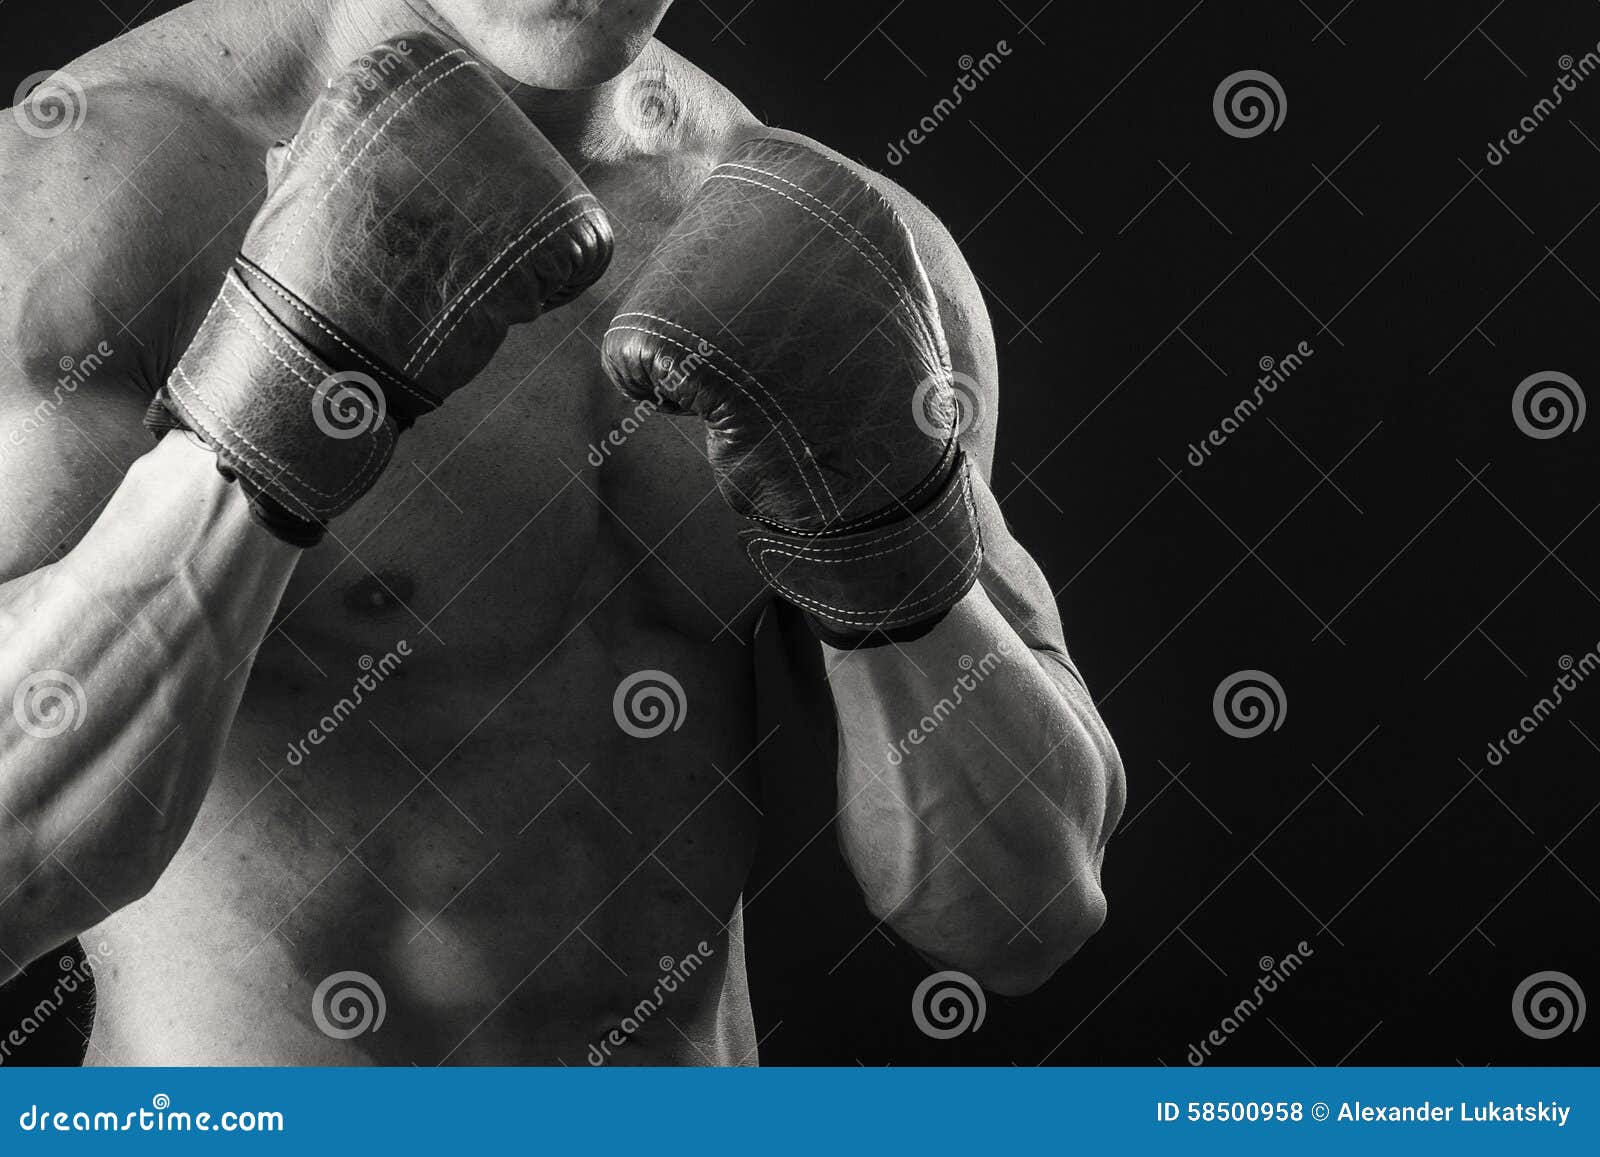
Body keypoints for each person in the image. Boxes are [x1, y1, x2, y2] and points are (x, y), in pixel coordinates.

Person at [0, 0, 1124, 1065]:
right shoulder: (86, 193)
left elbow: (1026, 911)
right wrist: (262, 416)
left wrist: (892, 550)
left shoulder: (845, 244)